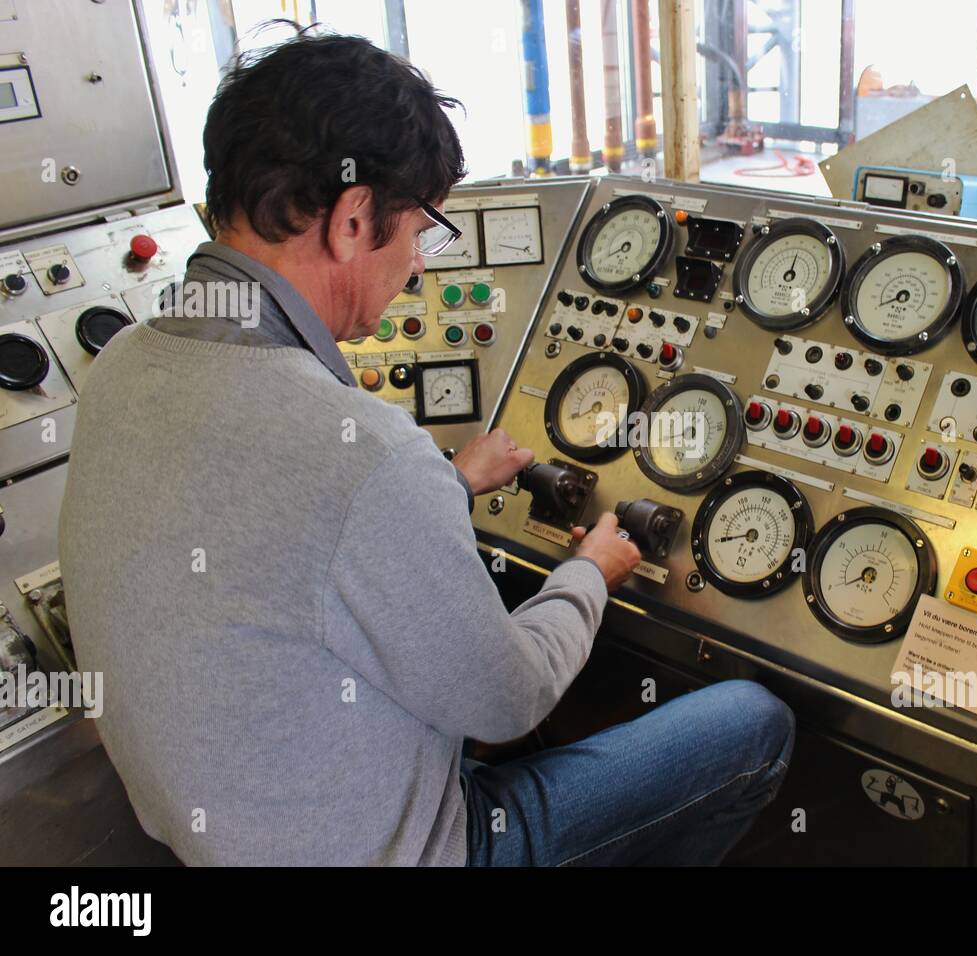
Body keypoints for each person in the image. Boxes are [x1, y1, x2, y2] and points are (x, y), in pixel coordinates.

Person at [58, 27, 794, 866]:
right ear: (352, 218)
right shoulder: (361, 457)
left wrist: (443, 481)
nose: (415, 267)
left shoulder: (121, 366)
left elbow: (274, 525)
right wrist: (591, 568)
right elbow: (510, 699)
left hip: (216, 839)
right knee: (752, 723)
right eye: (418, 233)